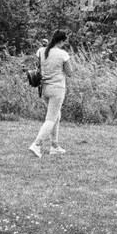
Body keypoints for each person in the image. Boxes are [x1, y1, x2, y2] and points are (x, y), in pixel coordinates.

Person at [28, 30, 72, 159]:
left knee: (56, 115)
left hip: (45, 89)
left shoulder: (42, 51)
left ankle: (54, 146)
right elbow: (69, 72)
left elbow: (39, 61)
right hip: (57, 89)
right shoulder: (63, 54)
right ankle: (36, 144)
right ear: (62, 41)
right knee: (50, 119)